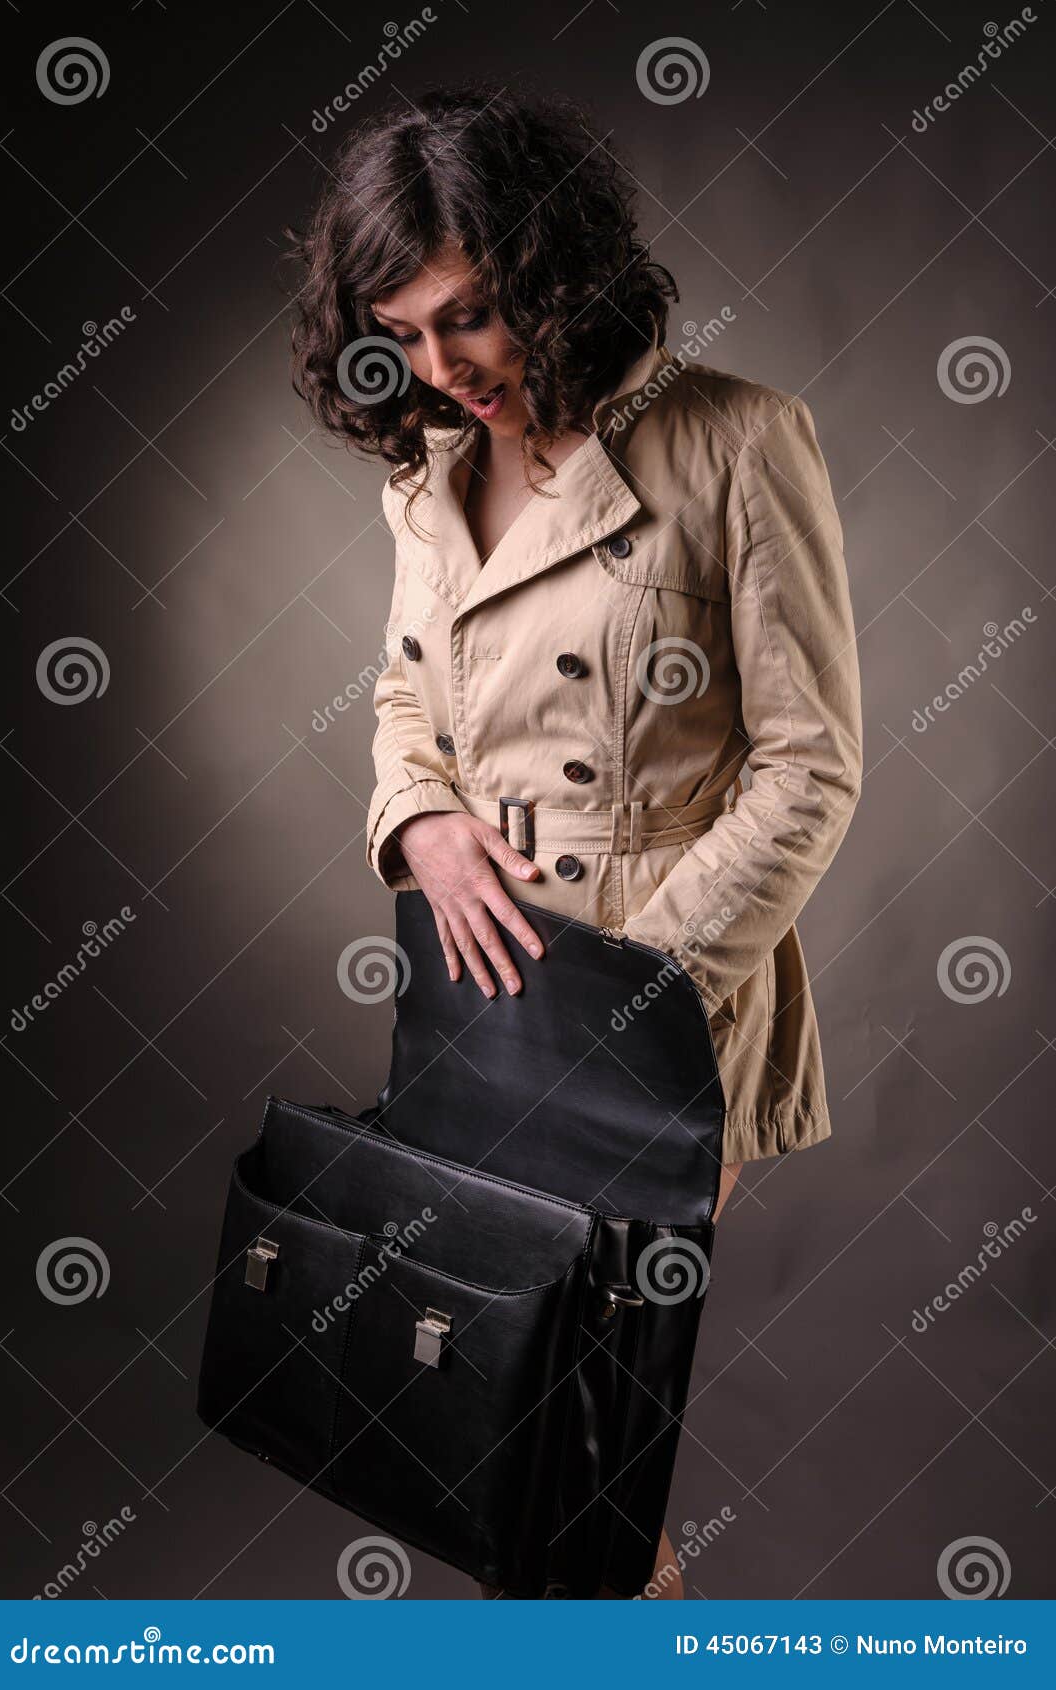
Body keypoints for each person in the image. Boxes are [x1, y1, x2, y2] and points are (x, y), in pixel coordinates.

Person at [288, 82, 863, 1600]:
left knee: (571, 1451)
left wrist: (626, 998)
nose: (440, 368)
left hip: (659, 1015)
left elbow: (810, 766)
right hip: (476, 1000)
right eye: (403, 333)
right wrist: (420, 821)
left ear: (553, 270)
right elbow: (405, 699)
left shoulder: (736, 442)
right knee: (497, 1451)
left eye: (470, 316)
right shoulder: (427, 476)